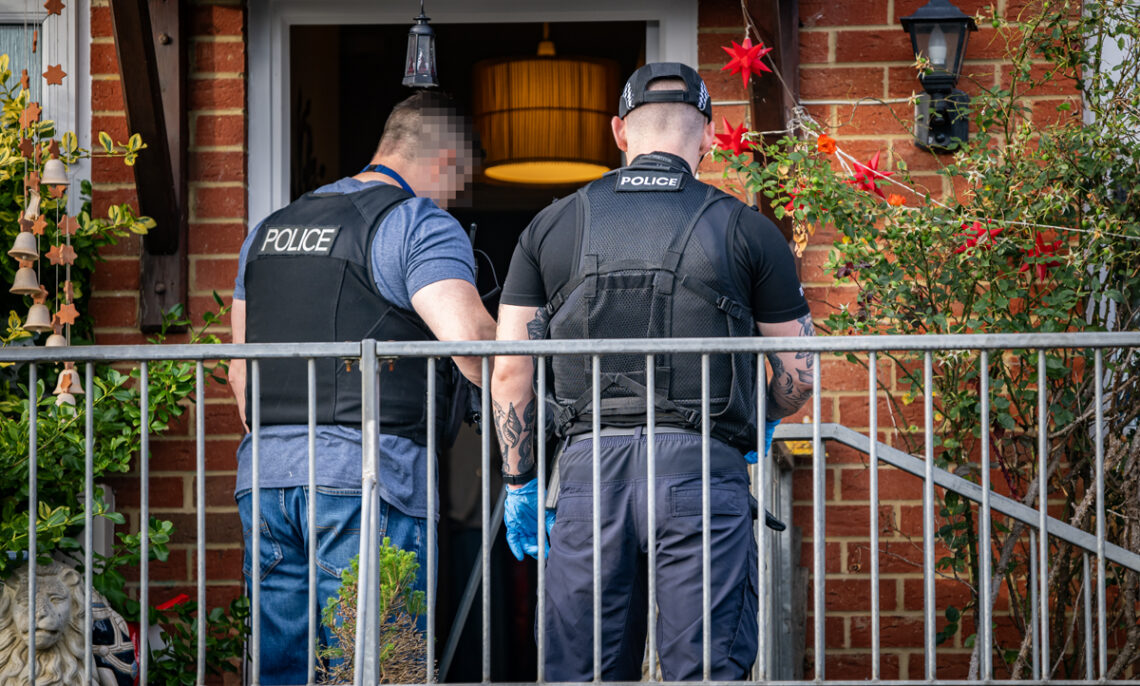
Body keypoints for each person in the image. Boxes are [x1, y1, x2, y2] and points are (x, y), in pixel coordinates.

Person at [491, 63, 815, 681]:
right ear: (710, 137)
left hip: (588, 471)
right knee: (707, 667)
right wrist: (761, 417)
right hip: (702, 465)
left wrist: (520, 484)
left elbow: (510, 373)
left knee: (583, 670)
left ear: (619, 131)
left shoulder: (550, 226)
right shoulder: (747, 228)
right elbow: (799, 373)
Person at [228, 91, 496, 685]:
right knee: (378, 667)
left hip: (266, 480)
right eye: (460, 181)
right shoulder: (417, 222)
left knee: (281, 670)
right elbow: (473, 344)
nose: (454, 197)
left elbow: (239, 370)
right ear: (447, 158)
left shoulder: (266, 232)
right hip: (368, 478)